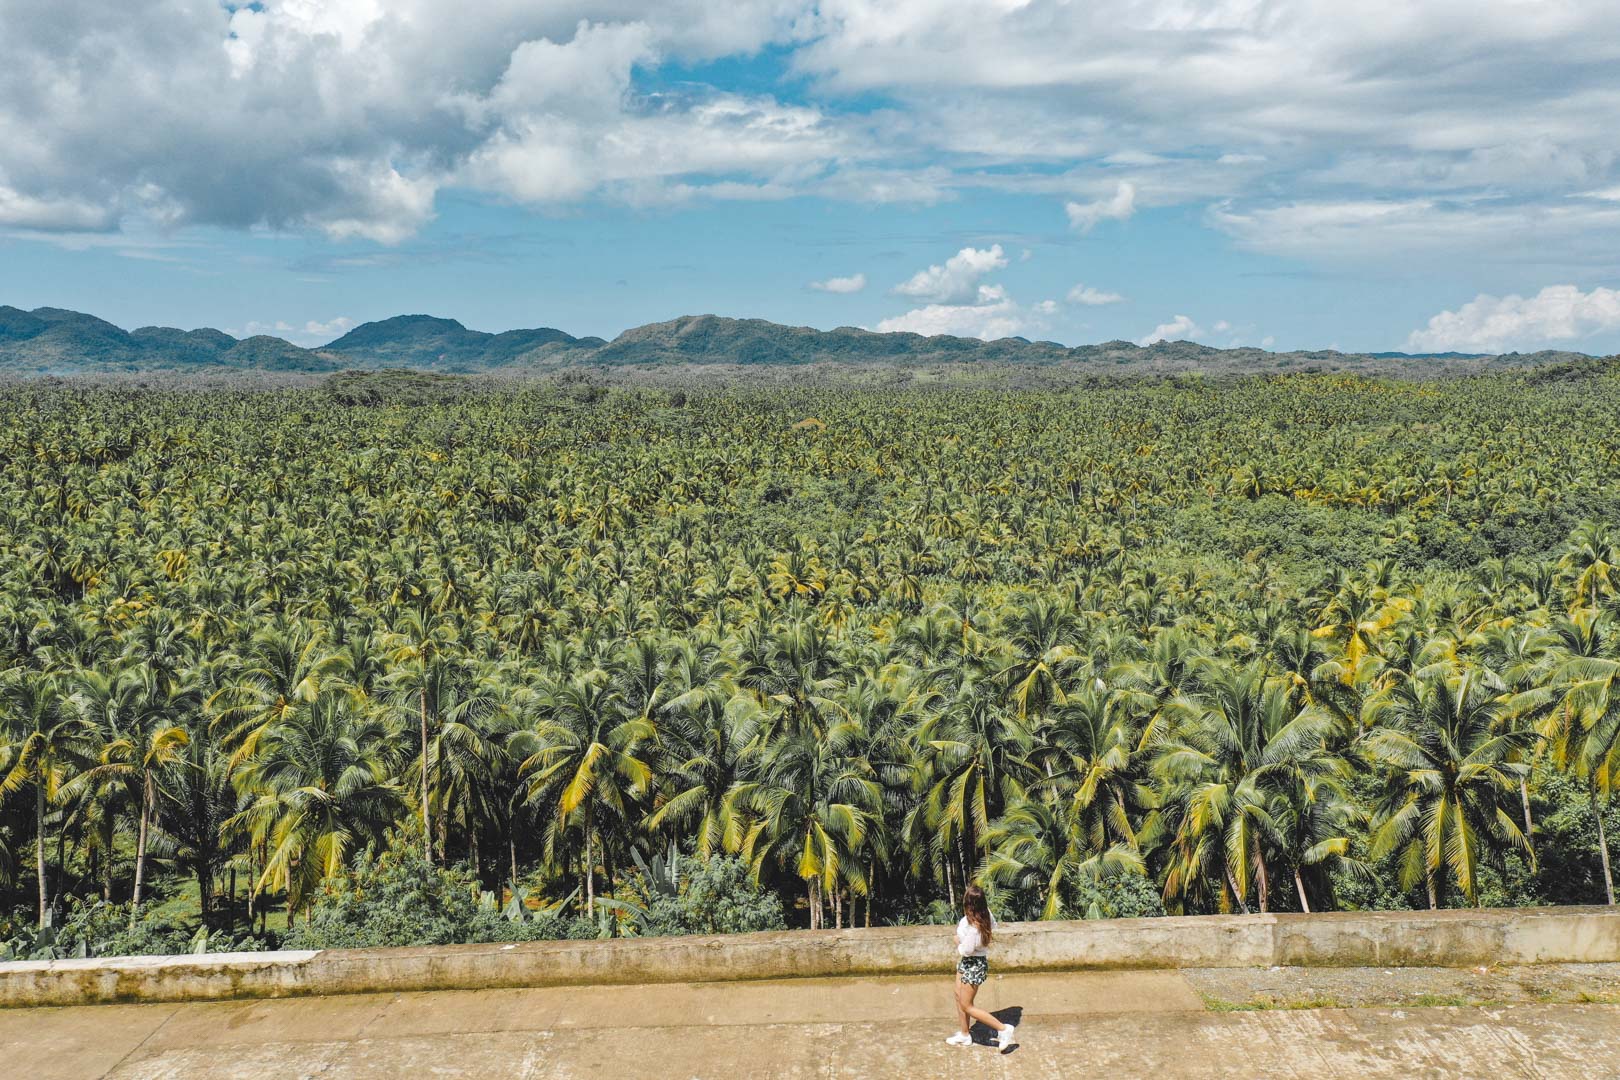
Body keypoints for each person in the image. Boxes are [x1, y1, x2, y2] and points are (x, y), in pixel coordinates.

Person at [946, 884, 1016, 1049]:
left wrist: (958, 941)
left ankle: (1004, 1029)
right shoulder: (985, 914)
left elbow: (967, 950)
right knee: (958, 995)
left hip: (973, 964)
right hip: (968, 963)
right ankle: (964, 1035)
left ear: (968, 904)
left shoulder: (974, 928)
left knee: (966, 1005)